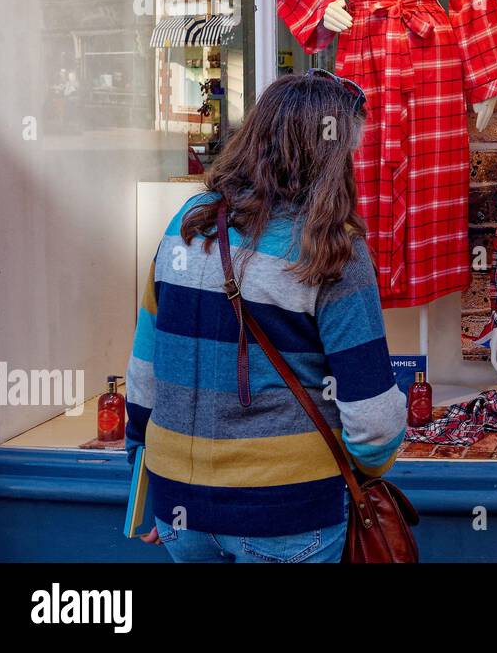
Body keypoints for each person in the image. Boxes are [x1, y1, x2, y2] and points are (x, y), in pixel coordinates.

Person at [125, 70, 407, 563]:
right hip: (288, 510)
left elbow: (145, 373)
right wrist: (368, 466)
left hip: (180, 508)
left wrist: (146, 481)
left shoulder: (185, 224)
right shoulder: (331, 247)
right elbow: (374, 420)